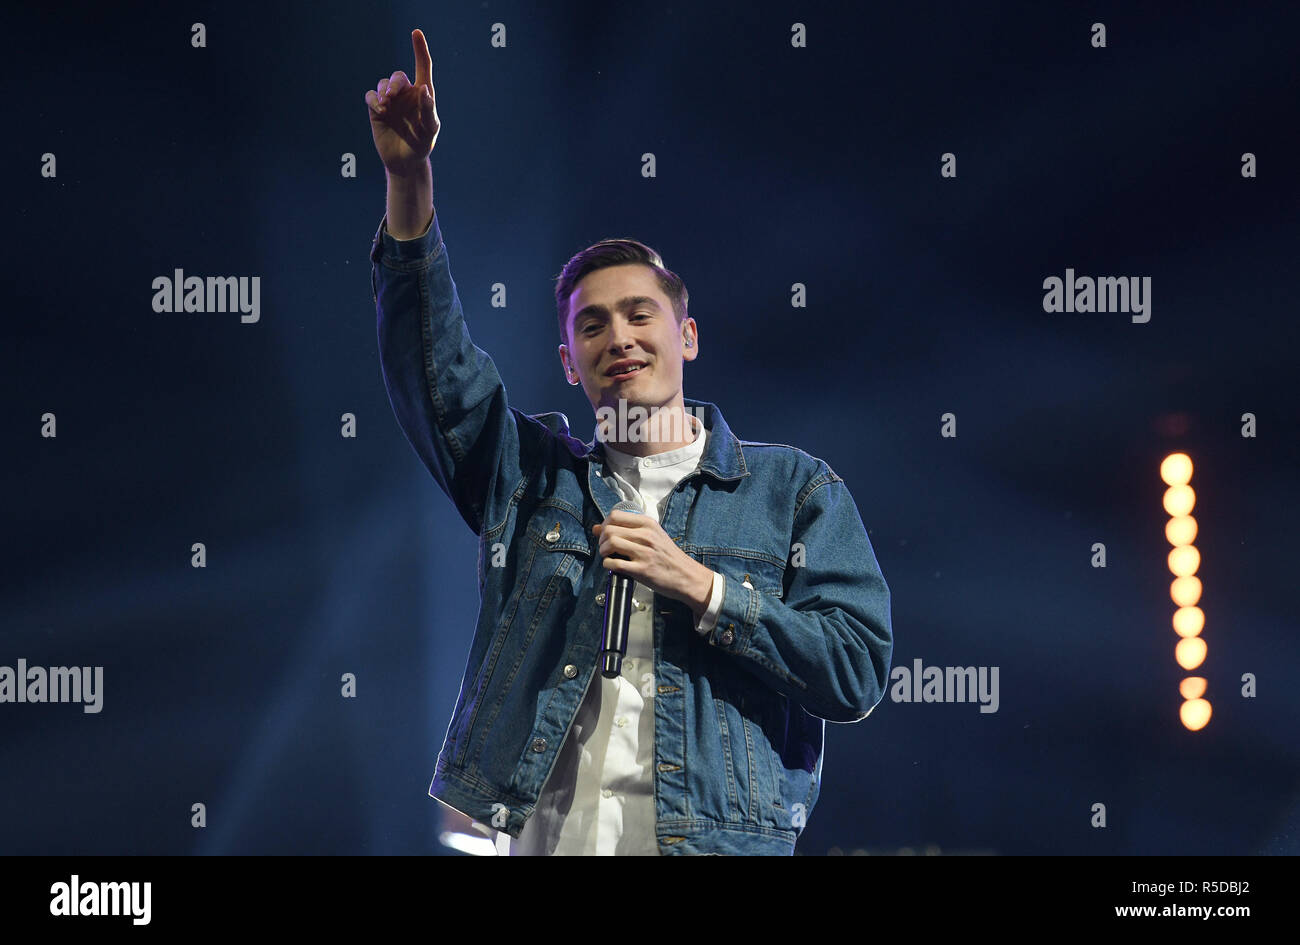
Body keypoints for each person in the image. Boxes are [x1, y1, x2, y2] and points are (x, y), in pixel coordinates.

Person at [366, 28, 893, 855]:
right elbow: (431, 367)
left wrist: (705, 588)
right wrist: (409, 178)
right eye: (592, 324)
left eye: (640, 314)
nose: (620, 336)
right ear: (569, 364)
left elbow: (857, 669)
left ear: (687, 336)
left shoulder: (792, 489)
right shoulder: (531, 477)